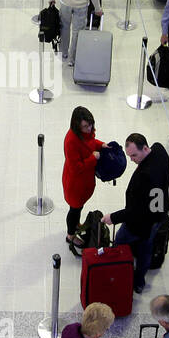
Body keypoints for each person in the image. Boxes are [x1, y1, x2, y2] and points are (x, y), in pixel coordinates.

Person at [102, 134, 169, 294]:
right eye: (129, 156)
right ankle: (139, 282)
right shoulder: (159, 150)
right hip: (159, 214)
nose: (132, 160)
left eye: (134, 155)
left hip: (141, 222)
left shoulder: (144, 177)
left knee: (120, 240)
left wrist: (113, 217)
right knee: (146, 248)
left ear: (145, 148)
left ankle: (118, 273)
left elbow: (136, 211)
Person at [62, 106, 106, 249]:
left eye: (90, 124)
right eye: (85, 126)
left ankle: (76, 225)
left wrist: (101, 145)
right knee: (74, 210)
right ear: (77, 126)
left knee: (78, 208)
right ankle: (70, 235)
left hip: (84, 182)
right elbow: (76, 167)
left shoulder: (85, 133)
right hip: (75, 185)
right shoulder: (71, 141)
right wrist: (93, 158)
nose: (89, 128)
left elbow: (91, 142)